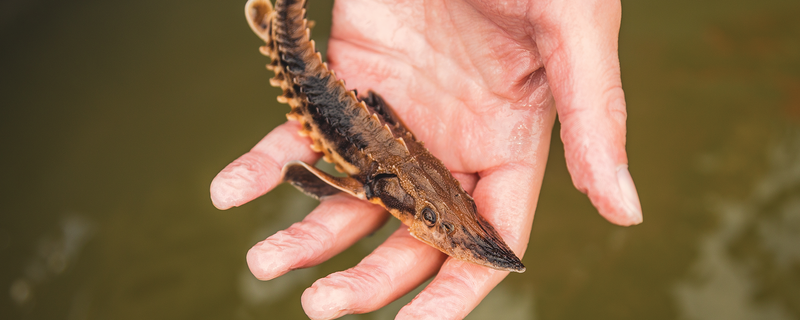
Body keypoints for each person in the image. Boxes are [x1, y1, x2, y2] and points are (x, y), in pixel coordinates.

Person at [210, 0, 642, 318]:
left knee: (287, 31)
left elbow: (376, 104)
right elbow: (303, 173)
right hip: (314, 91)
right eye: (432, 219)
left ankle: (276, 25)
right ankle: (277, 28)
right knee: (288, 45)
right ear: (377, 187)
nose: (444, 231)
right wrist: (301, 175)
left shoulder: (398, 165)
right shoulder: (373, 183)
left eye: (452, 209)